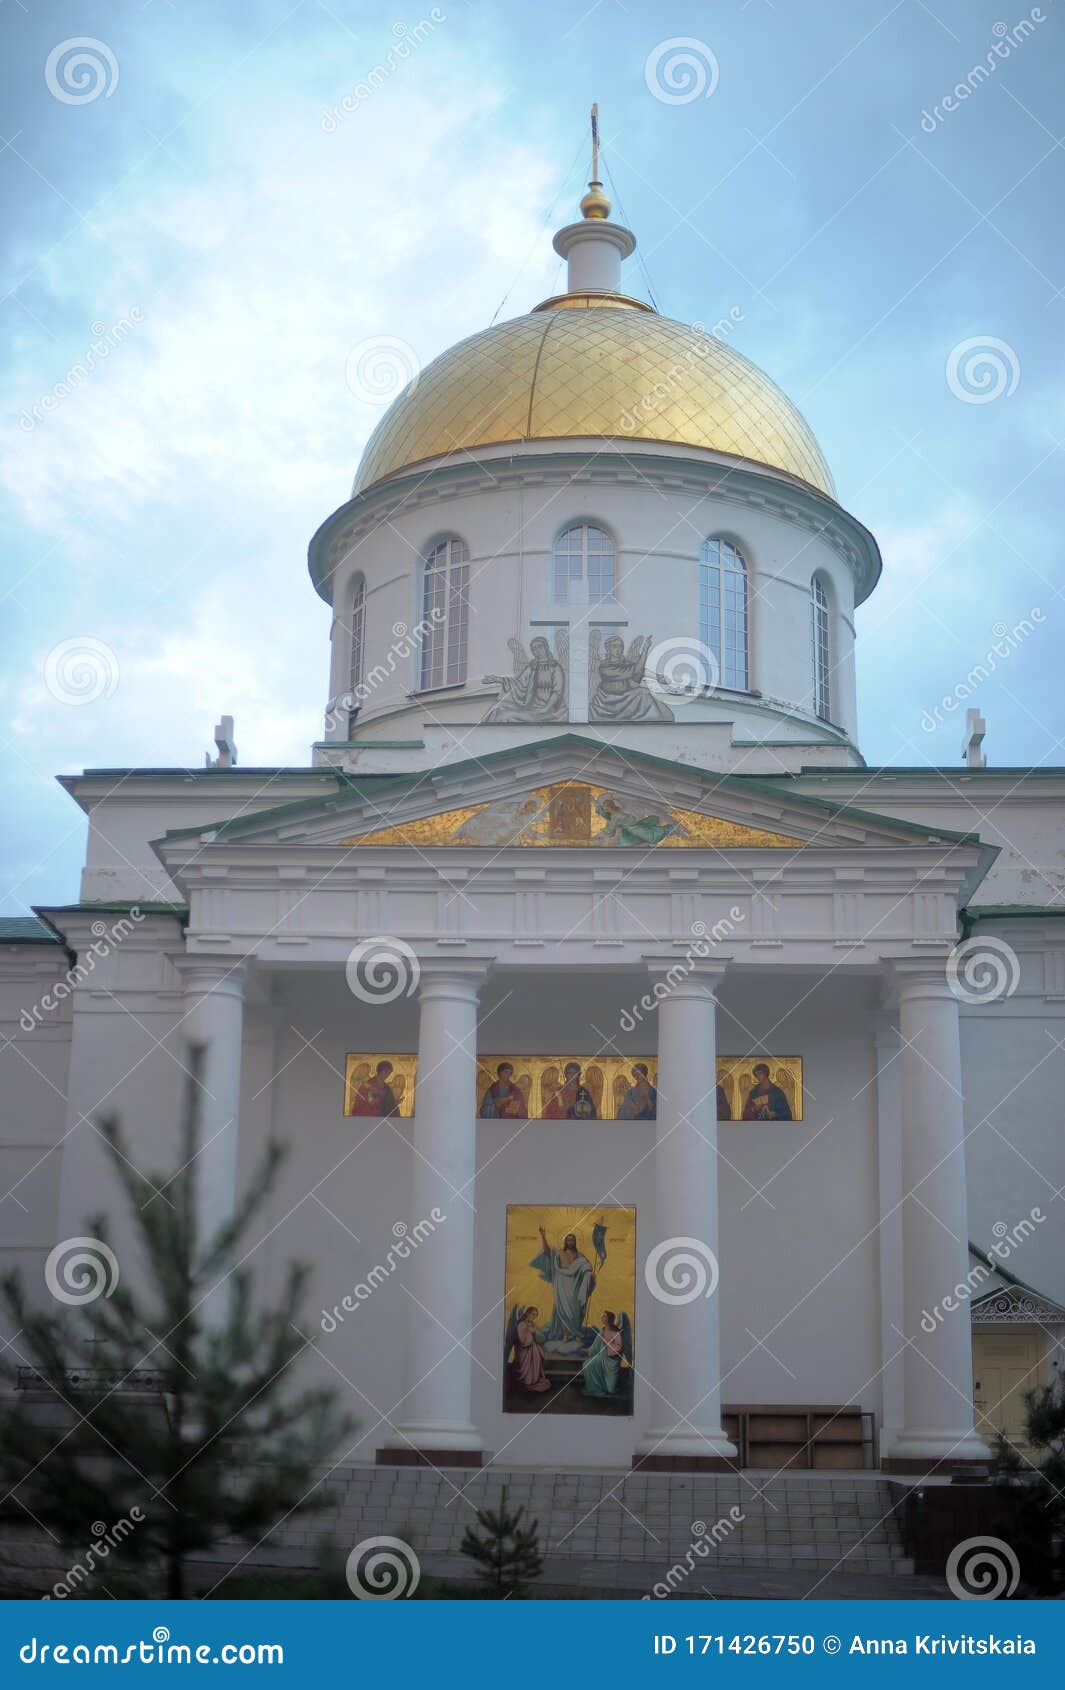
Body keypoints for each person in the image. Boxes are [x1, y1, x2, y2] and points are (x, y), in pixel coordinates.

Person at [530, 1227, 595, 1342]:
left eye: (572, 1240)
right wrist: (543, 1236)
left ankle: (575, 1333)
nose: (570, 1242)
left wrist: (589, 1274)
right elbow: (547, 1251)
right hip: (561, 1283)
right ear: (565, 1241)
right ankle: (565, 1335)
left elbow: (587, 1267)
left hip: (575, 1284)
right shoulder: (559, 1253)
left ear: (575, 1242)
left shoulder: (580, 1256)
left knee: (576, 1309)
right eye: (568, 1240)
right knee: (562, 1309)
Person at [581, 1310, 625, 1398]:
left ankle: (605, 1386)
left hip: (611, 1360)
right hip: (602, 1357)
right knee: (587, 1364)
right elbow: (595, 1346)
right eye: (602, 1316)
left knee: (610, 1390)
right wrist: (587, 1350)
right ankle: (596, 1387)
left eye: (604, 1316)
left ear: (610, 1319)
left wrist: (607, 1344)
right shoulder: (603, 1330)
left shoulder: (616, 1332)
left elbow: (619, 1348)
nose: (602, 1318)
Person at [507, 1306, 552, 1393]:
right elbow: (523, 1341)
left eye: (536, 1315)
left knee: (538, 1358)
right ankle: (528, 1382)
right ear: (527, 1313)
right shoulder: (521, 1324)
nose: (534, 1317)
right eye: (533, 1314)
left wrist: (535, 1333)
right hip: (524, 1352)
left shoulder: (532, 1324)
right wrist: (530, 1333)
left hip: (532, 1351)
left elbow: (540, 1338)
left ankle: (533, 1380)